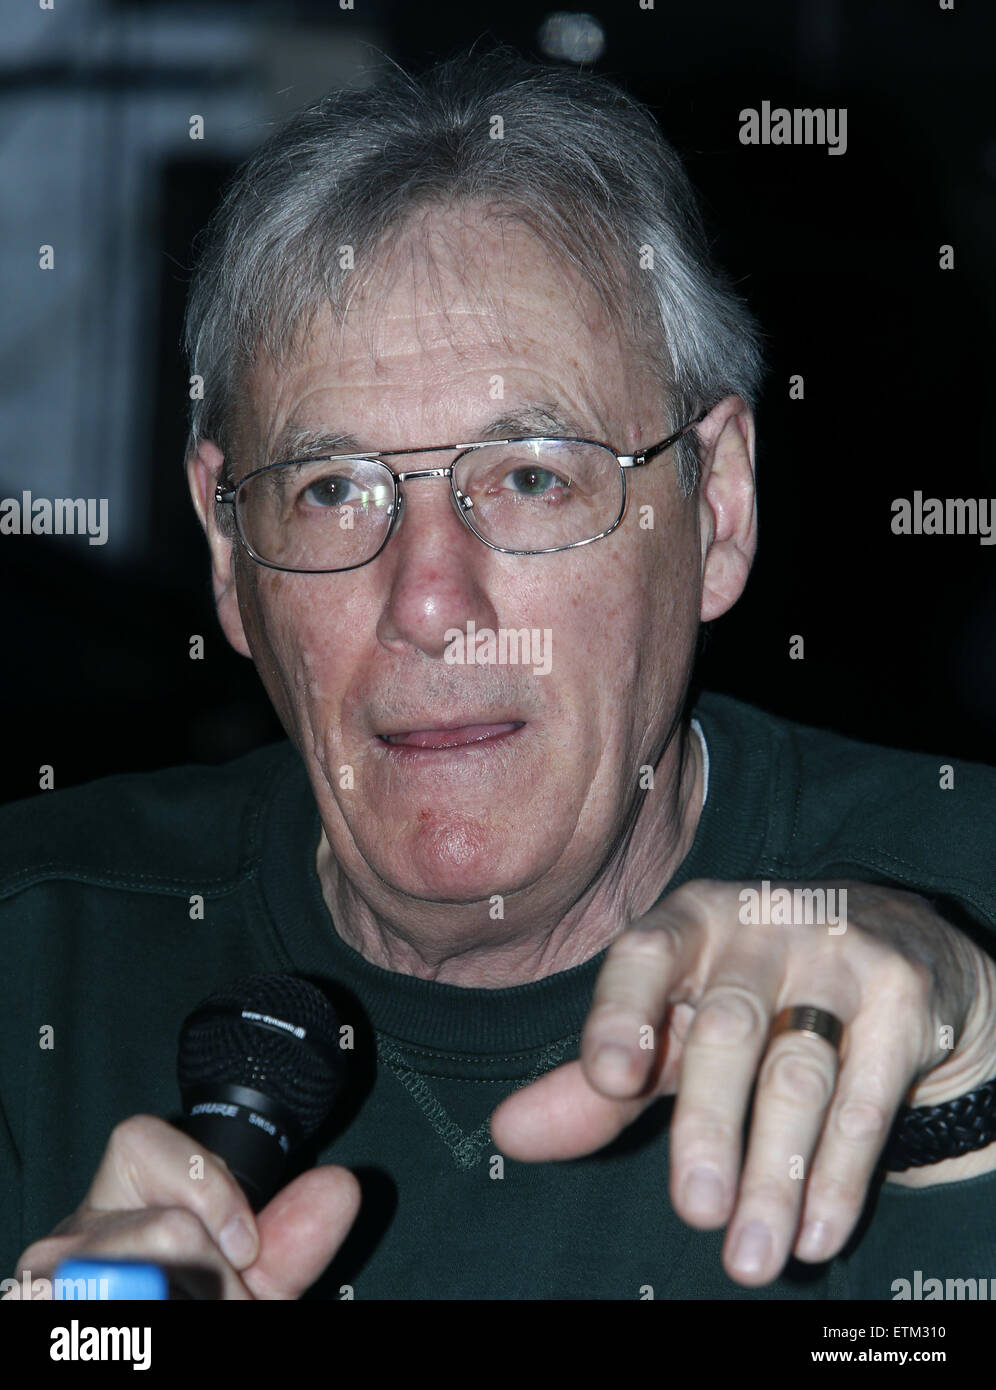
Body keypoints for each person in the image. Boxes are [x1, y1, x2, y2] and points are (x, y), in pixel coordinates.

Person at [2, 48, 995, 1302]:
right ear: (226, 546)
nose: (428, 605)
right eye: (330, 491)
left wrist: (970, 1104)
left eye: (531, 477)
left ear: (718, 506)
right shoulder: (32, 956)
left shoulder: (976, 903)